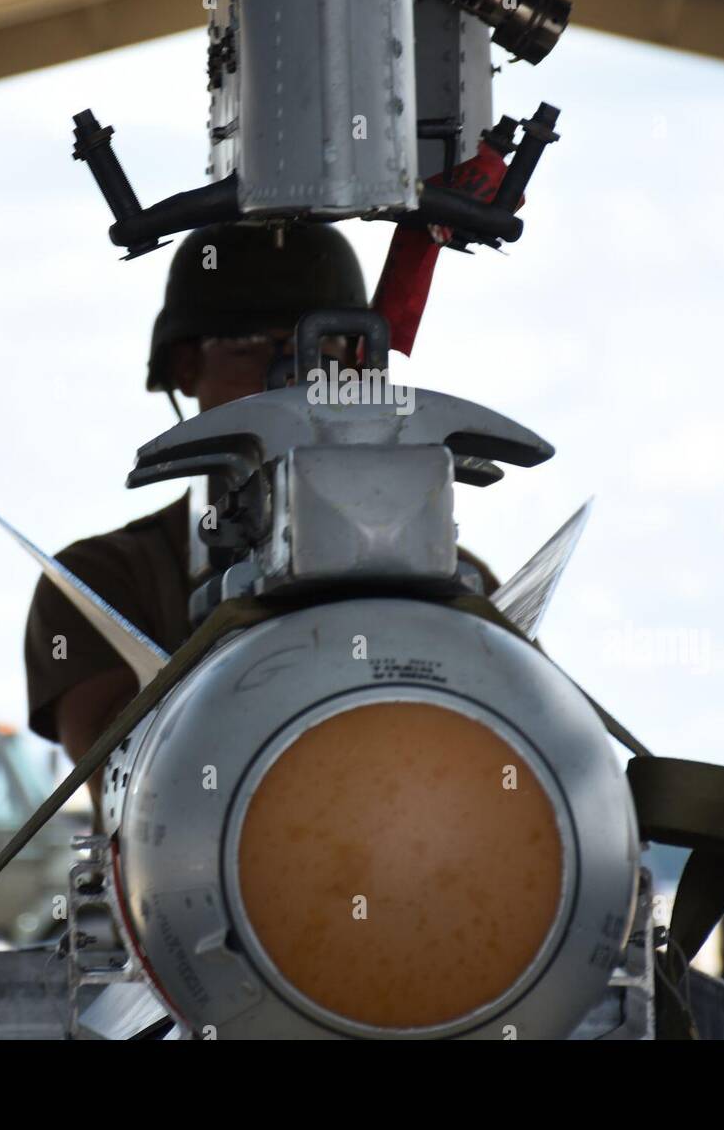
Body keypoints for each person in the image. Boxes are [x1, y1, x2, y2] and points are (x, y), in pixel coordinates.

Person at [24, 221, 497, 819]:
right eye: (251, 347)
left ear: (359, 369)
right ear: (186, 367)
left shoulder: (460, 585)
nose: (290, 379)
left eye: (320, 353)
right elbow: (133, 793)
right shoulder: (100, 587)